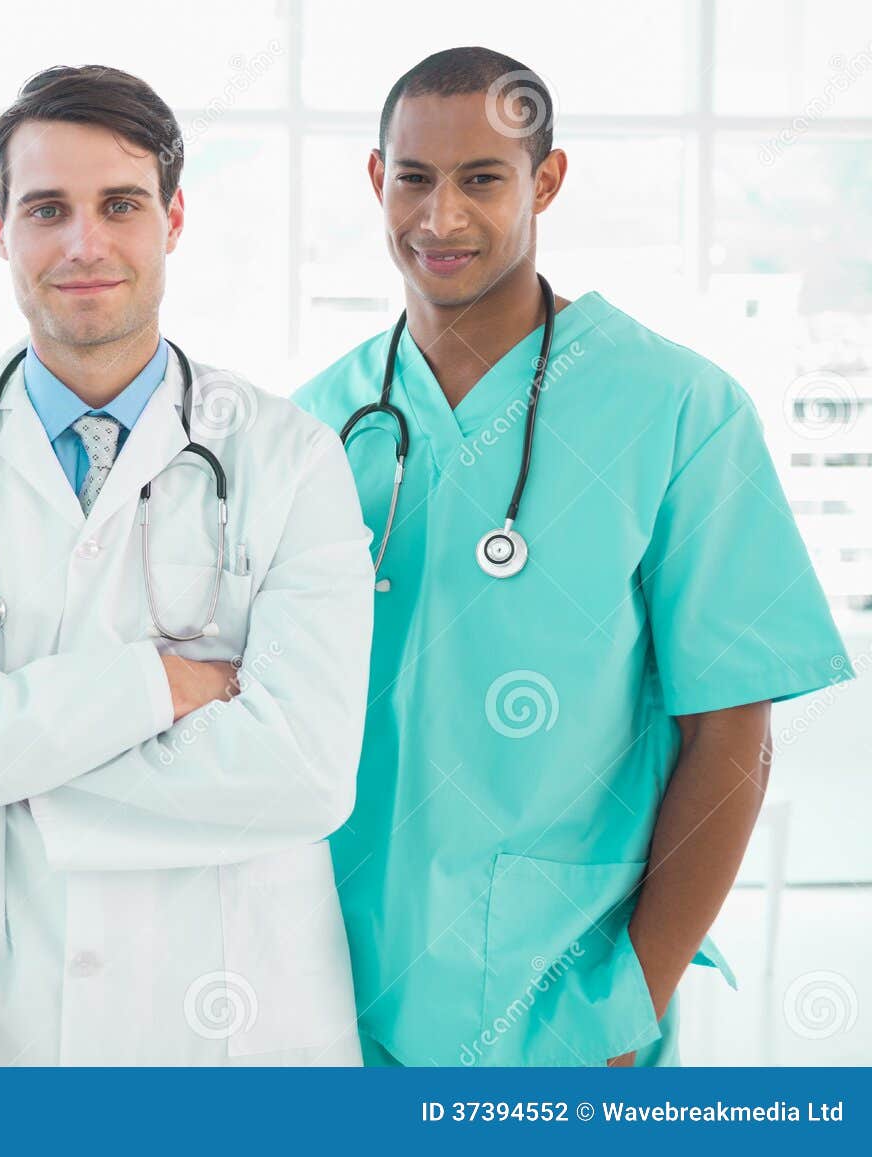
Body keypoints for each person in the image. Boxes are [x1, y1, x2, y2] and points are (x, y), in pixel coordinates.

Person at [295, 47, 851, 1067]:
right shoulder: (313, 426)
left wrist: (628, 996)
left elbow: (731, 734)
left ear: (545, 182)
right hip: (327, 992)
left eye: (482, 179)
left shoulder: (678, 410)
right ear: (377, 181)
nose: (441, 217)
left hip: (563, 1006)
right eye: (414, 178)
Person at [0, 66, 374, 1065]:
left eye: (119, 204)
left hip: (231, 1023)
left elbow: (303, 772)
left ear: (172, 216)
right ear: (0, 230)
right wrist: (162, 684)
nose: (84, 243)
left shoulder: (289, 457)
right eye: (47, 209)